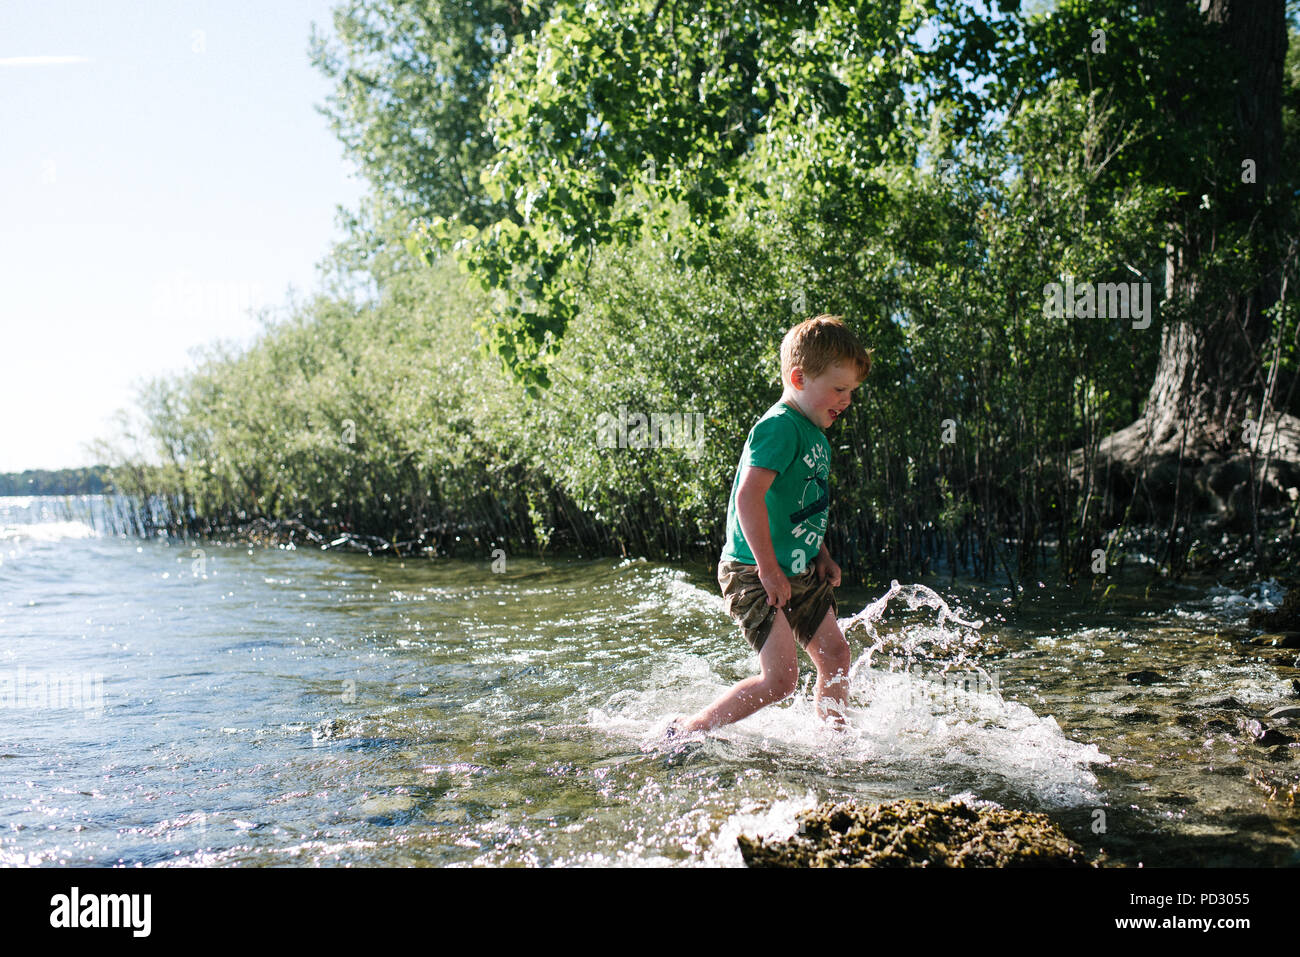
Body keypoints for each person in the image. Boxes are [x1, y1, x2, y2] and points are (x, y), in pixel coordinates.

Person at [671, 315, 872, 736]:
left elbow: (801, 504)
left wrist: (820, 552)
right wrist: (767, 569)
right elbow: (748, 497)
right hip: (753, 570)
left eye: (852, 391)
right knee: (781, 680)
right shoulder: (781, 426)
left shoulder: (815, 432)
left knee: (836, 655)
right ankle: (691, 730)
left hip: (796, 567)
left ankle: (834, 745)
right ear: (799, 378)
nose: (847, 399)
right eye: (839, 389)